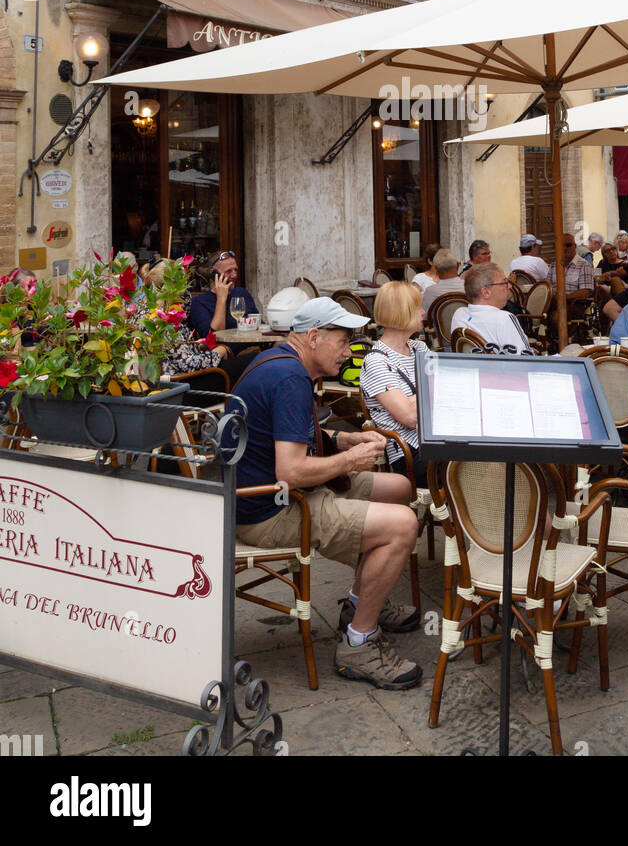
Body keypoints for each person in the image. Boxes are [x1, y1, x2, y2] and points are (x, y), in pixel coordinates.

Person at [228, 298, 423, 690]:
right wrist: (350, 460)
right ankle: (359, 645)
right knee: (403, 525)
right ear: (314, 337)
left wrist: (343, 439)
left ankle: (360, 600)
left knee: (400, 487)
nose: (349, 351)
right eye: (343, 340)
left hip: (268, 494)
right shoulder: (290, 379)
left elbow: (290, 435)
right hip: (268, 511)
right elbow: (291, 471)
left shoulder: (281, 363)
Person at [143, 258, 250, 388]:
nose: (186, 293)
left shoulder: (148, 312)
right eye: (183, 286)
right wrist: (219, 352)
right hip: (182, 386)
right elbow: (189, 365)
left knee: (251, 360)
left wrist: (200, 347)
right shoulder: (164, 318)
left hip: (184, 378)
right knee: (252, 361)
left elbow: (177, 353)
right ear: (171, 287)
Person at [361, 282, 428, 486]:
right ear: (403, 312)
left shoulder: (419, 348)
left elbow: (448, 390)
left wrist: (413, 400)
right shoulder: (376, 361)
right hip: (411, 452)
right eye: (418, 308)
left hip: (438, 439)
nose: (423, 312)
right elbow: (409, 417)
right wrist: (434, 390)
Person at [452, 264, 533, 352]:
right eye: (504, 283)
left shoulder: (459, 315)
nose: (510, 286)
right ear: (486, 292)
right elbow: (523, 358)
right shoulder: (504, 319)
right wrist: (528, 351)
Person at [188, 251, 258, 345]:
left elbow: (259, 325)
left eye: (235, 270)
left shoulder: (242, 294)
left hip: (255, 347)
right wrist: (221, 299)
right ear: (214, 273)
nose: (234, 275)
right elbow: (213, 339)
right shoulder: (199, 303)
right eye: (228, 271)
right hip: (225, 352)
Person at [547, 233, 594, 340]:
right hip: (554, 304)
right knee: (532, 313)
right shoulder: (554, 265)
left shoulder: (583, 265)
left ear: (575, 246)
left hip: (574, 305)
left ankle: (557, 343)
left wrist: (563, 298)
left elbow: (585, 292)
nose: (564, 248)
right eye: (561, 245)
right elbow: (547, 287)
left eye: (568, 245)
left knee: (556, 317)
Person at [420, 249, 465, 315]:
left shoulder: (430, 292)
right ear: (458, 266)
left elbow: (424, 316)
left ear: (436, 269)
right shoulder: (469, 287)